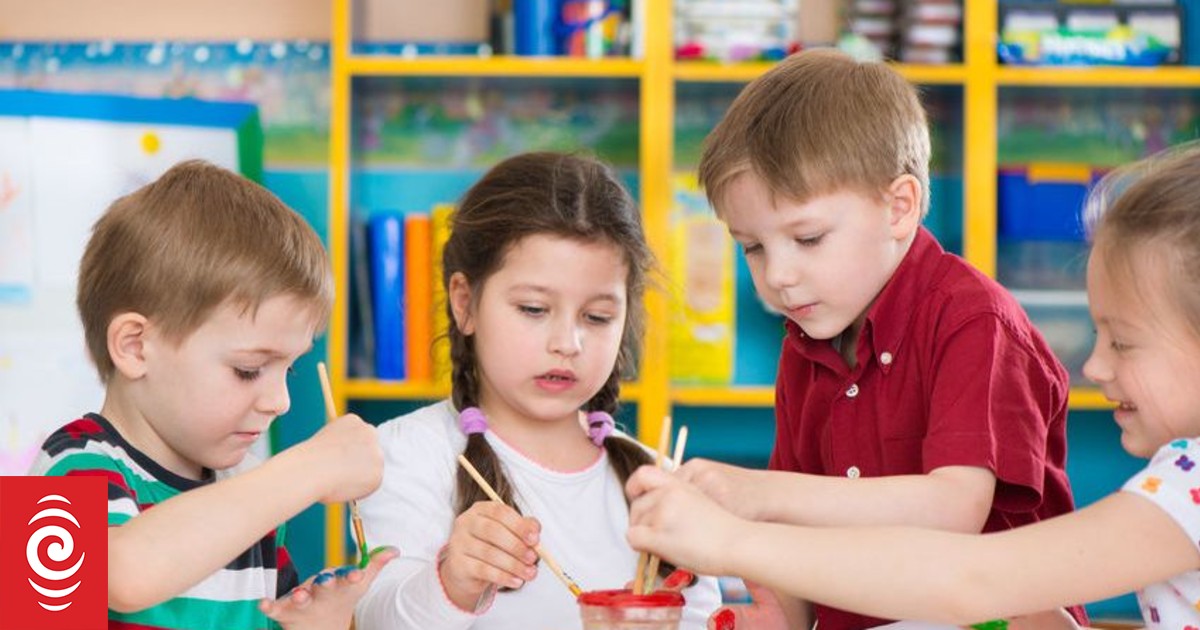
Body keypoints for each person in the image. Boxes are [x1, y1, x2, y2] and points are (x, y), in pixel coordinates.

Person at [626, 143, 1200, 630]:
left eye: (1123, 342)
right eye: (752, 246)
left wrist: (732, 536)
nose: (1094, 367)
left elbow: (971, 579)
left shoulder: (1186, 486)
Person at [667, 48, 1086, 630]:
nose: (778, 275)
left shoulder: (974, 321)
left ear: (899, 207)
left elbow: (953, 508)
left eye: (808, 239)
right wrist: (764, 615)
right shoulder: (805, 345)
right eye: (754, 247)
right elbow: (797, 565)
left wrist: (760, 495)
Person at [354, 152, 721, 630]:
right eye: (533, 309)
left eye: (597, 317)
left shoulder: (657, 482)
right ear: (465, 303)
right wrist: (452, 581)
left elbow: (703, 616)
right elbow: (375, 618)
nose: (567, 343)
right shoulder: (403, 454)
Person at [29, 160, 394, 630]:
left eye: (289, 368)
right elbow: (121, 573)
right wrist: (311, 468)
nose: (280, 401)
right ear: (136, 347)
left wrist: (321, 621)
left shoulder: (248, 496)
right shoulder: (63, 465)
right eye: (249, 370)